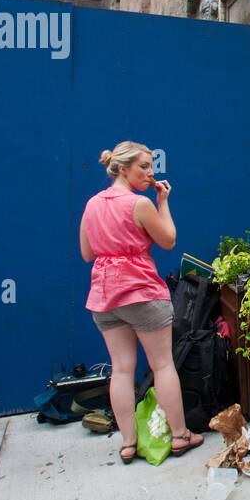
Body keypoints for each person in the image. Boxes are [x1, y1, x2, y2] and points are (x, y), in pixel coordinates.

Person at [80, 141, 204, 463]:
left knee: (120, 370)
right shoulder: (140, 204)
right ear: (123, 169)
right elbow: (169, 240)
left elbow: (87, 253)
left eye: (151, 166)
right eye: (143, 167)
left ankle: (128, 444)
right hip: (142, 291)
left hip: (105, 295)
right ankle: (179, 436)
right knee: (162, 364)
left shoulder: (92, 204)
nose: (150, 173)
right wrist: (162, 201)